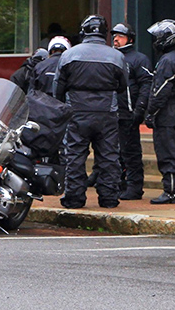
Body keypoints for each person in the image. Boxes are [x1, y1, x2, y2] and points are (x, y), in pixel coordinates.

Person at [54, 15, 128, 209]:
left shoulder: (70, 55)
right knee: (109, 156)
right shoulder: (116, 56)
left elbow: (58, 88)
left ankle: (74, 198)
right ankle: (109, 197)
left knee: (75, 156)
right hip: (106, 112)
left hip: (77, 111)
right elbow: (122, 86)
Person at [145, 19, 175, 204]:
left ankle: (171, 190)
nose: (155, 41)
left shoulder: (167, 61)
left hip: (166, 113)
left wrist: (151, 112)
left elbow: (159, 91)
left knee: (167, 153)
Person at [111, 22, 153, 200]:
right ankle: (119, 184)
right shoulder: (111, 57)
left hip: (129, 112)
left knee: (131, 151)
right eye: (114, 36)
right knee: (115, 152)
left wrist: (140, 108)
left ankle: (135, 187)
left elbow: (146, 85)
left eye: (120, 36)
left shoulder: (139, 59)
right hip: (112, 112)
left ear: (130, 39)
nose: (115, 39)